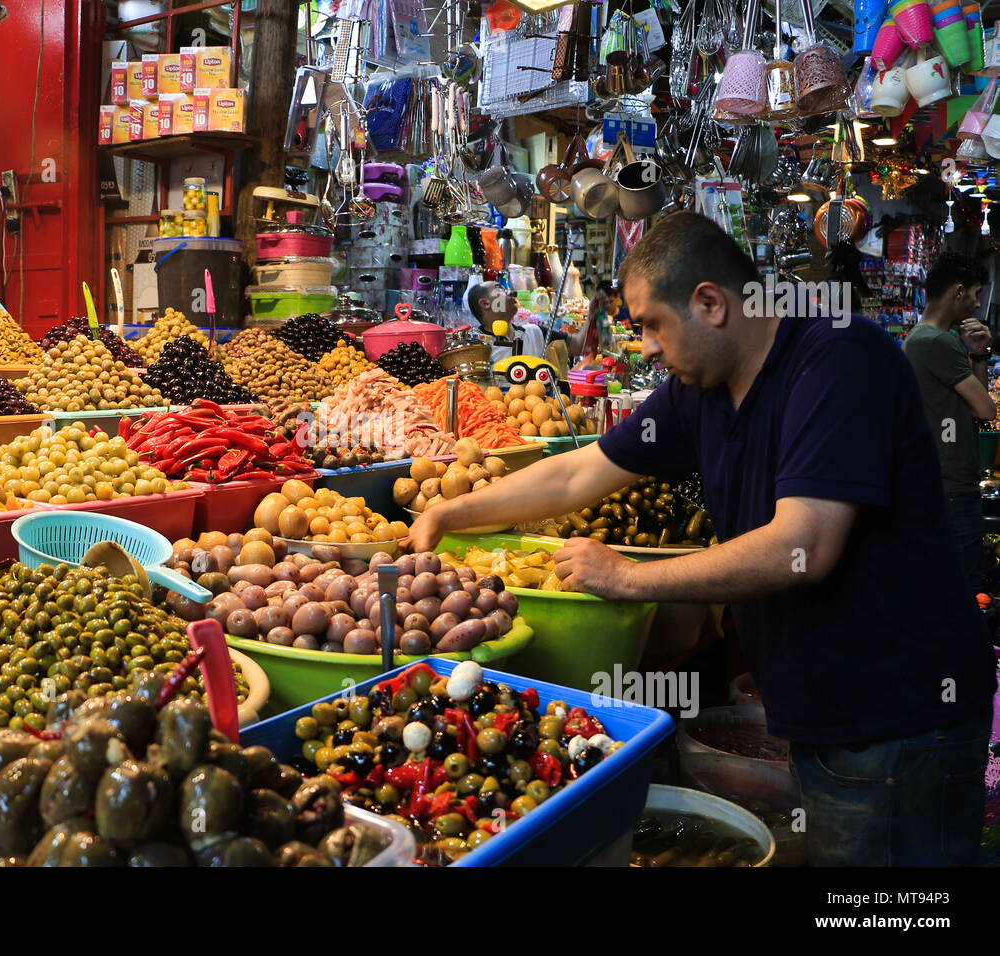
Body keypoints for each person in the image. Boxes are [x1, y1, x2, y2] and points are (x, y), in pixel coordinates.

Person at [409, 212, 997, 866]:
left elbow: (804, 545)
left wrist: (627, 576)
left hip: (899, 723)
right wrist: (448, 515)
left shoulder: (839, 359)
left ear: (710, 303)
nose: (649, 348)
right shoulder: (703, 391)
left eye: (651, 325)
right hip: (828, 719)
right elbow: (579, 472)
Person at [903, 252, 995, 592]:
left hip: (942, 486)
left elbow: (976, 410)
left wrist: (979, 356)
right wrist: (977, 356)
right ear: (958, 292)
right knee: (963, 592)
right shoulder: (937, 342)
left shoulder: (921, 338)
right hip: (952, 492)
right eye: (974, 294)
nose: (975, 304)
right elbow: (987, 411)